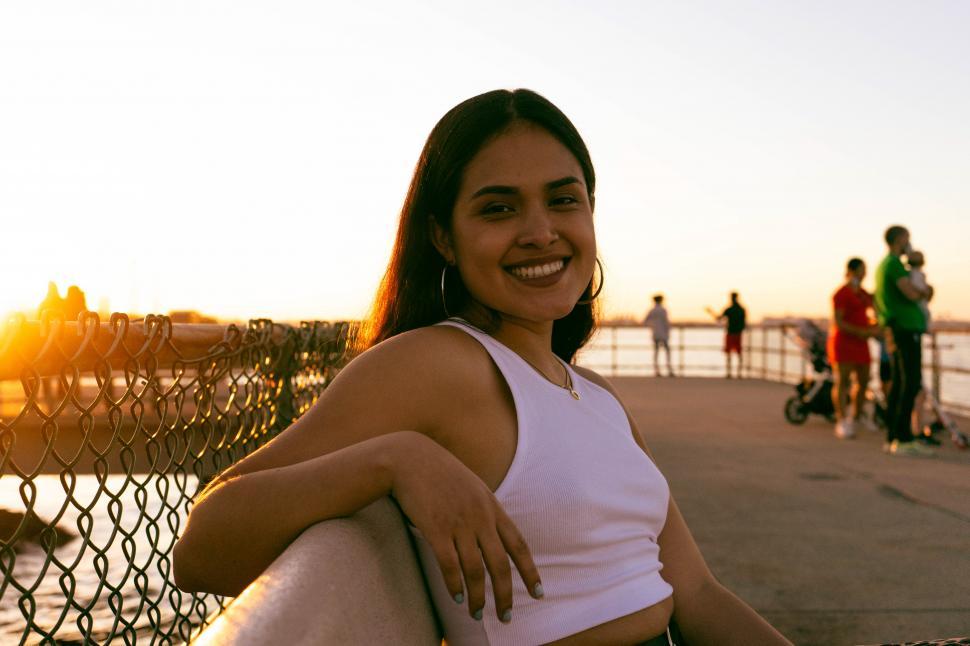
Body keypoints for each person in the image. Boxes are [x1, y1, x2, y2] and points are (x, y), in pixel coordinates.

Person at [173, 89, 790, 645]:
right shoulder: (436, 364)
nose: (540, 232)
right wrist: (395, 460)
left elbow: (698, 596)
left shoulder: (597, 395)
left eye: (564, 200)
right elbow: (202, 548)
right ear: (444, 236)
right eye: (499, 209)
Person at [874, 226, 934, 457]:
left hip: (898, 328)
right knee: (910, 381)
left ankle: (895, 435)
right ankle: (903, 437)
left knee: (900, 382)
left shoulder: (885, 265)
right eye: (907, 239)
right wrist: (925, 291)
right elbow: (910, 292)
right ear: (900, 240)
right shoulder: (893, 265)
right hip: (905, 329)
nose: (910, 243)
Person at [827, 258, 878, 440]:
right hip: (844, 342)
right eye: (861, 270)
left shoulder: (862, 293)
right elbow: (838, 321)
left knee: (863, 380)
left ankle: (856, 416)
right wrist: (859, 331)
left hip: (861, 343)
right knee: (842, 381)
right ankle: (842, 420)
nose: (863, 274)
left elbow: (875, 307)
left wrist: (873, 327)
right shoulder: (841, 294)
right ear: (852, 271)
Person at [905, 250, 938, 445]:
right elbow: (917, 297)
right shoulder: (914, 277)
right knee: (915, 385)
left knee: (914, 385)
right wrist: (927, 290)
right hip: (913, 330)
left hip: (917, 329)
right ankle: (914, 428)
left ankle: (914, 427)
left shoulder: (913, 276)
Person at [707, 292, 746, 379]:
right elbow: (744, 324)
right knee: (739, 353)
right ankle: (739, 373)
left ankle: (729, 373)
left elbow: (718, 318)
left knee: (729, 353)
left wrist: (710, 312)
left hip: (731, 333)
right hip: (738, 333)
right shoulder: (741, 309)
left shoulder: (730, 309)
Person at [644, 294, 674, 377]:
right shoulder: (663, 310)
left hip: (655, 333)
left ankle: (657, 371)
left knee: (656, 352)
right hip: (663, 333)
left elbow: (645, 320)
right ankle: (669, 370)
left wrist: (652, 326)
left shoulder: (652, 310)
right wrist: (668, 332)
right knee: (667, 351)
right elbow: (666, 322)